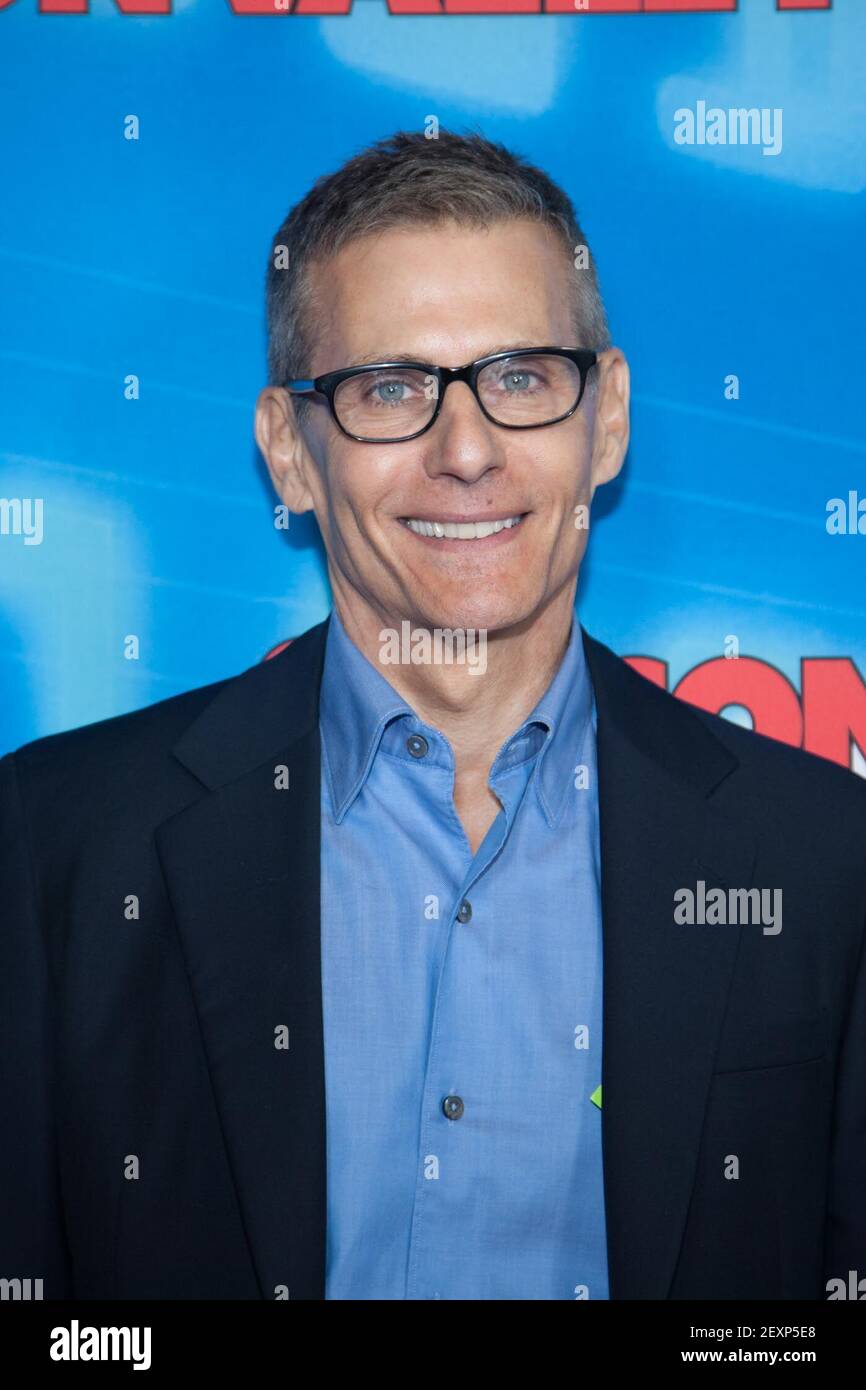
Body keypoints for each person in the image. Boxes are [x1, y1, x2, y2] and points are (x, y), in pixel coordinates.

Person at [2, 129, 864, 1301]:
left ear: (603, 419)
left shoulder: (821, 857)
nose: (465, 452)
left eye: (519, 377)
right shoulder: (55, 843)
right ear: (289, 454)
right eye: (390, 389)